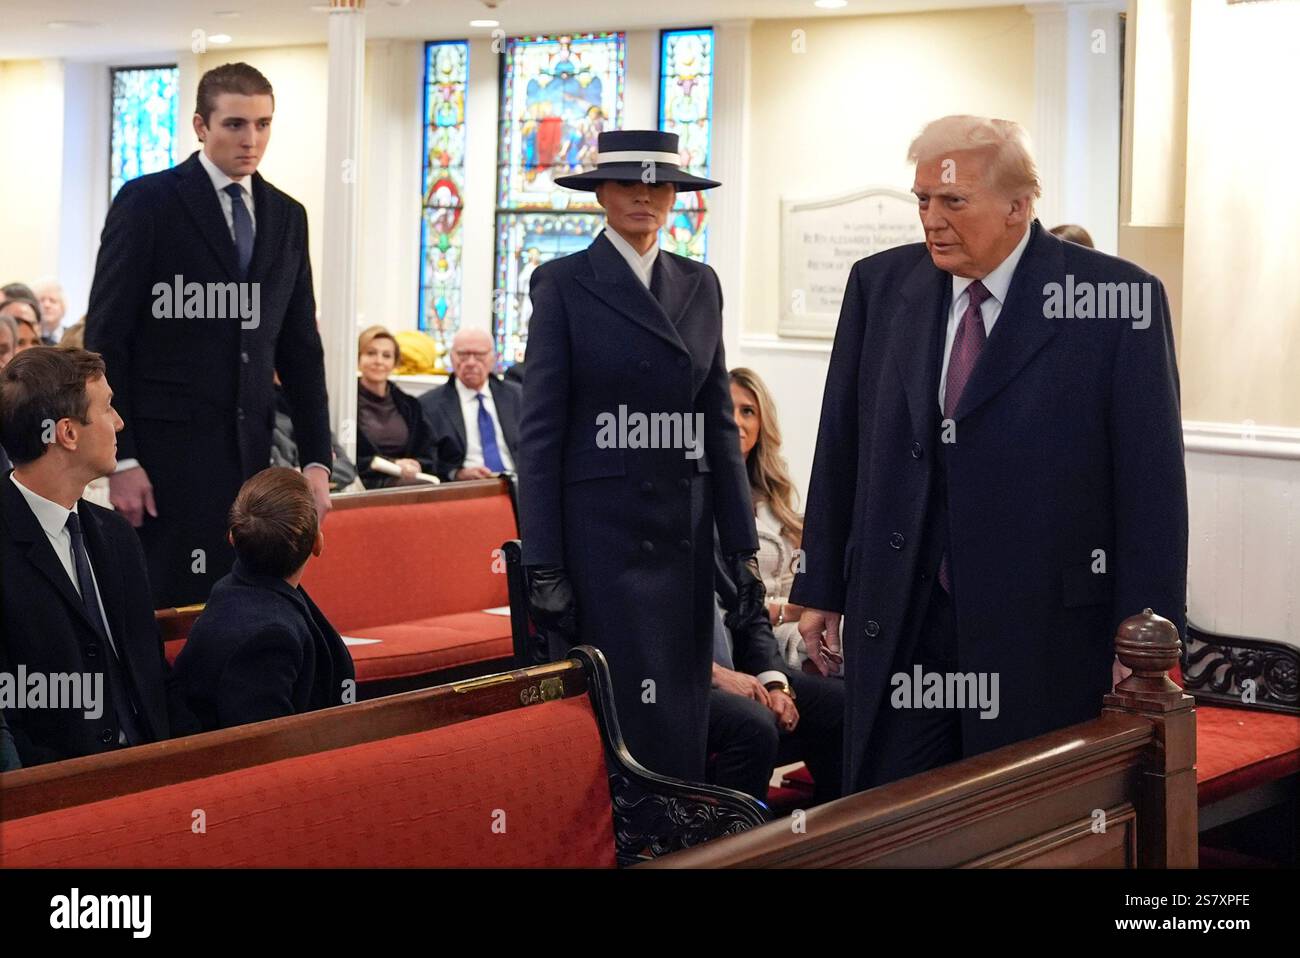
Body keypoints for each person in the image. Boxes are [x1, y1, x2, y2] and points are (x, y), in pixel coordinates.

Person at [794, 115, 1188, 795]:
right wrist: (822, 586)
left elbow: (1151, 488)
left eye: (953, 201)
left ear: (1019, 204)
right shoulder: (879, 287)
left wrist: (1144, 638)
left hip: (1039, 631)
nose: (932, 219)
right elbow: (841, 448)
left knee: (1018, 823)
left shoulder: (1118, 301)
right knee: (894, 819)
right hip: (904, 622)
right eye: (922, 200)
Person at [518, 130, 762, 782]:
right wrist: (543, 563)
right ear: (601, 192)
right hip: (603, 541)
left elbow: (717, 426)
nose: (645, 198)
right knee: (621, 727)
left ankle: (681, 847)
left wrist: (739, 550)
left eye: (659, 185)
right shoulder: (564, 283)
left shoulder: (700, 284)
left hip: (682, 535)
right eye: (630, 184)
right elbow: (538, 436)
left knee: (680, 725)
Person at [85, 62, 331, 608]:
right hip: (164, 456)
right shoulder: (149, 201)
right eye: (236, 125)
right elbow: (107, 336)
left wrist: (317, 459)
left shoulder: (287, 215)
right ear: (201, 125)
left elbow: (300, 347)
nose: (252, 140)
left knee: (245, 605)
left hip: (250, 455)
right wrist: (121, 458)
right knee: (168, 609)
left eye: (264, 124)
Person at [0, 347, 195, 766]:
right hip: (58, 792)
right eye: (107, 408)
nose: (120, 422)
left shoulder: (115, 534)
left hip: (151, 768)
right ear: (67, 433)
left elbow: (150, 671)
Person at [173, 467, 355, 731]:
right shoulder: (268, 637)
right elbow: (266, 747)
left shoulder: (232, 590)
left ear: (232, 539)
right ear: (318, 544)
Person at [708, 542, 844, 806]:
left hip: (738, 666)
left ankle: (833, 834)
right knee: (753, 724)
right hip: (669, 682)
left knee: (839, 704)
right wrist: (711, 673)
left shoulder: (713, 528)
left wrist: (774, 683)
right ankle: (736, 842)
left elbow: (753, 615)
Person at [729, 367, 812, 670]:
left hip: (798, 629)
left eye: (748, 411)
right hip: (749, 641)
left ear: (762, 422)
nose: (736, 420)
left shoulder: (776, 499)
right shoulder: (700, 497)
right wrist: (784, 612)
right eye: (728, 409)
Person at [418, 327, 521, 481]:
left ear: (493, 358)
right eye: (463, 355)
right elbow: (428, 462)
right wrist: (457, 474)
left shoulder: (517, 396)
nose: (471, 362)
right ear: (452, 357)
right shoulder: (429, 406)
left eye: (479, 355)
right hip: (466, 490)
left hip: (517, 485)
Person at [355, 325, 439, 489]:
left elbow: (428, 451)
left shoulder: (409, 405)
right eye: (371, 353)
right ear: (358, 359)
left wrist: (416, 464)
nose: (379, 361)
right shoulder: (346, 403)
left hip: (409, 481)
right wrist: (393, 464)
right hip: (366, 483)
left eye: (386, 356)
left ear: (395, 363)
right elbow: (350, 457)